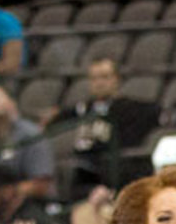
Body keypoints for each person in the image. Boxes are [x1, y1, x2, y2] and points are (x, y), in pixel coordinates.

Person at [44, 58, 165, 197]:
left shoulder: (133, 109)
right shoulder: (82, 110)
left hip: (119, 179)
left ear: (117, 80)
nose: (99, 83)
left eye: (105, 77)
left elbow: (165, 114)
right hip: (84, 181)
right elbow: (53, 123)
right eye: (94, 79)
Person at [0, 85, 55, 201]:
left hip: (28, 203)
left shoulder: (29, 134)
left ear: (10, 102)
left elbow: (41, 183)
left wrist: (4, 193)